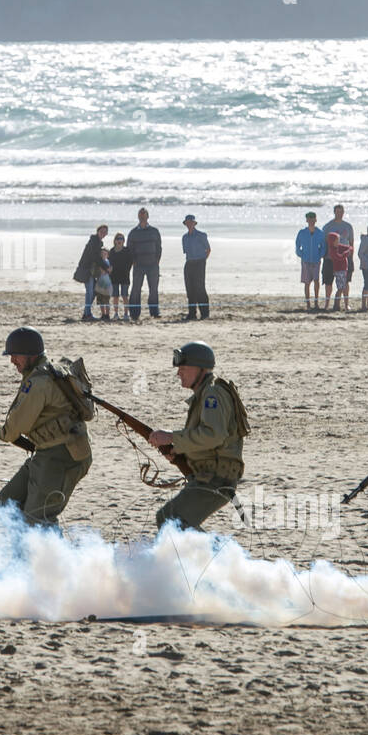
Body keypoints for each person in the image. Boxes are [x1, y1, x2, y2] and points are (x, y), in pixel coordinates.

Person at [0, 327, 92, 527]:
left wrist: (0, 432)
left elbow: (13, 429)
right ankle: (19, 554)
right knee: (8, 501)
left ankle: (52, 558)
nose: (12, 361)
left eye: (15, 355)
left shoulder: (38, 383)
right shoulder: (48, 372)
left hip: (62, 456)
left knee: (38, 519)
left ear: (30, 355)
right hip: (48, 453)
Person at [148, 342, 249, 532]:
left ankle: (223, 558)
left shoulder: (212, 394)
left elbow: (214, 435)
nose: (179, 373)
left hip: (216, 478)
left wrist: (171, 437)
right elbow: (208, 439)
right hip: (208, 475)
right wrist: (179, 452)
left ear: (201, 370)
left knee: (171, 520)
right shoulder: (205, 393)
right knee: (170, 519)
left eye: (184, 369)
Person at [127, 207, 162, 321]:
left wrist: (157, 260)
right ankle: (134, 313)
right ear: (138, 216)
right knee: (136, 289)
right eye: (140, 214)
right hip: (139, 265)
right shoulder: (133, 232)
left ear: (147, 216)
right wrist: (133, 261)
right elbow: (129, 249)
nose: (142, 216)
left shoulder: (154, 231)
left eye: (144, 214)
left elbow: (159, 247)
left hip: (153, 265)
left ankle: (154, 312)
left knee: (153, 289)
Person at [321, 205, 354, 310]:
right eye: (337, 211)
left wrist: (351, 257)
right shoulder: (328, 226)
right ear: (334, 212)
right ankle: (327, 304)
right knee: (328, 283)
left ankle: (345, 304)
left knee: (345, 282)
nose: (339, 213)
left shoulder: (348, 226)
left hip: (344, 259)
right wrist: (324, 256)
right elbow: (324, 243)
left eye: (341, 211)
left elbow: (351, 243)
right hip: (330, 259)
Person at [73, 225, 108, 321]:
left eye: (105, 232)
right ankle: (87, 314)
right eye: (102, 231)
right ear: (98, 231)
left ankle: (86, 312)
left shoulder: (99, 242)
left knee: (92, 292)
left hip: (92, 271)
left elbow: (97, 258)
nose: (103, 233)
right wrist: (106, 267)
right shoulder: (94, 241)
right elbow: (95, 258)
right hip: (87, 270)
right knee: (90, 292)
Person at [294, 211, 326, 311]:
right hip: (306, 261)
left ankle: (316, 302)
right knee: (307, 282)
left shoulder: (320, 233)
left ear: (315, 220)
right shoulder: (302, 233)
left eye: (313, 218)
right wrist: (302, 255)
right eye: (309, 218)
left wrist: (320, 256)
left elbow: (323, 247)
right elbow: (297, 246)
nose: (311, 220)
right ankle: (308, 303)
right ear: (307, 220)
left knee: (316, 281)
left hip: (316, 261)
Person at [181, 214, 210, 320]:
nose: (189, 224)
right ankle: (192, 313)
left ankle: (205, 313)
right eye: (187, 223)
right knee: (190, 289)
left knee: (200, 288)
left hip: (199, 263)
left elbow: (208, 250)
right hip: (189, 263)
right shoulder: (184, 237)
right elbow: (186, 252)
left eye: (191, 222)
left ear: (194, 223)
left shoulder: (201, 235)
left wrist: (202, 261)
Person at [108, 232, 133, 320]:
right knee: (115, 296)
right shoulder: (111, 251)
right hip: (114, 277)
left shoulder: (127, 250)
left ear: (123, 241)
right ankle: (116, 314)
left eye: (121, 239)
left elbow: (130, 262)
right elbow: (109, 263)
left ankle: (126, 314)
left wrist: (126, 271)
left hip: (124, 276)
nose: (119, 240)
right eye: (118, 239)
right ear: (114, 241)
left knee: (125, 295)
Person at [327, 231, 353, 312]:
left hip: (344, 270)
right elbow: (339, 257)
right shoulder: (332, 250)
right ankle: (336, 304)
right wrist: (346, 253)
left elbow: (348, 247)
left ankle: (337, 305)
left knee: (343, 287)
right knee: (340, 288)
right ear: (332, 242)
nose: (338, 242)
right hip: (339, 271)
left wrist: (349, 249)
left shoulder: (338, 247)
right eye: (336, 241)